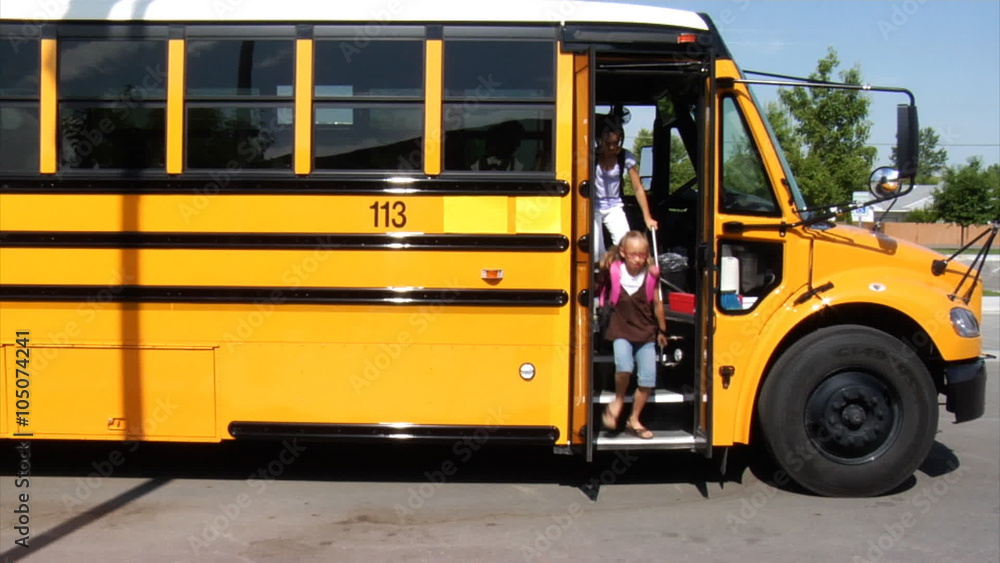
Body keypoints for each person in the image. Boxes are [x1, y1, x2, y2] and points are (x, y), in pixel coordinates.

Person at [600, 231, 668, 440]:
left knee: (647, 379)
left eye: (642, 255)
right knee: (624, 366)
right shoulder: (614, 271)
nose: (638, 260)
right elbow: (598, 283)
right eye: (633, 255)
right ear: (623, 253)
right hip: (620, 328)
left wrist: (662, 330)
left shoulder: (651, 275)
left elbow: (657, 304)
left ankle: (634, 418)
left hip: (645, 331)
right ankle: (619, 399)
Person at [593, 117, 658, 257]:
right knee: (596, 251)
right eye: (608, 143)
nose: (612, 147)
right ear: (600, 140)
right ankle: (600, 267)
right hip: (593, 206)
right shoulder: (591, 157)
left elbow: (638, 188)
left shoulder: (624, 156)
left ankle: (617, 267)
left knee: (626, 245)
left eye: (615, 143)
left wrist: (647, 217)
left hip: (614, 205)